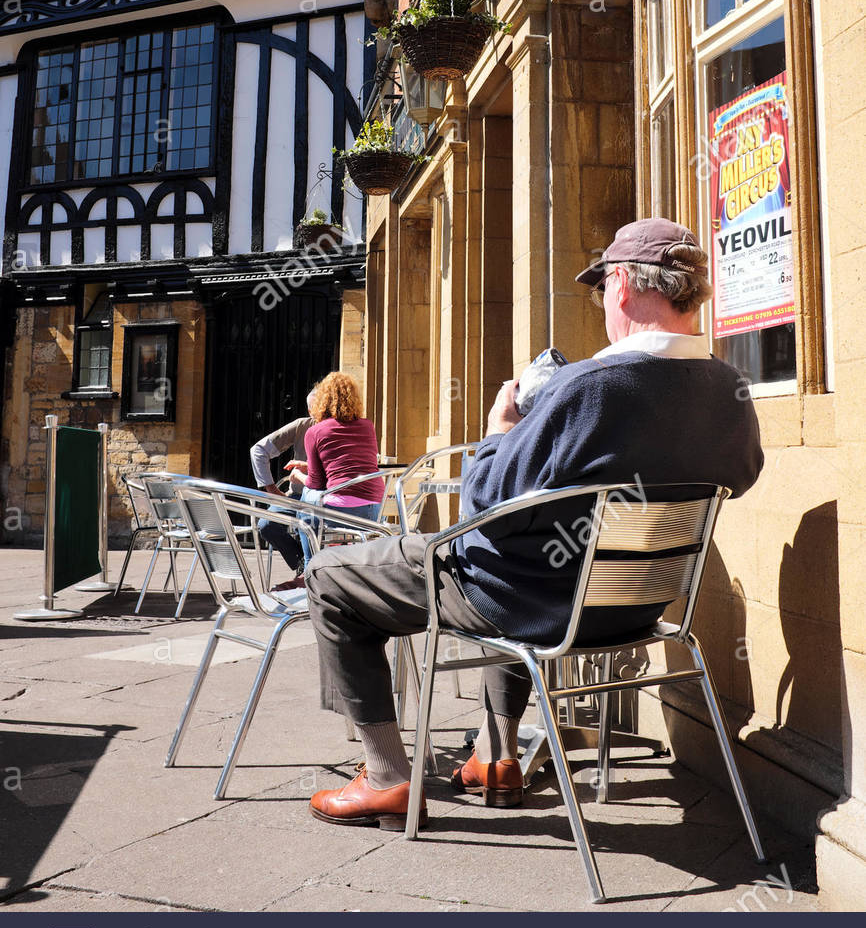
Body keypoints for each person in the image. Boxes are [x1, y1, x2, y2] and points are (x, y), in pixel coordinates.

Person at [304, 218, 764, 830]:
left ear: (622, 285)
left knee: (331, 575)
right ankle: (495, 757)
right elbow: (747, 473)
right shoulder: (729, 387)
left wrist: (502, 425)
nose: (603, 306)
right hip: (640, 608)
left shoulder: (588, 385)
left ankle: (386, 776)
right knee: (526, 557)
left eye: (602, 291)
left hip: (534, 603)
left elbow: (484, 498)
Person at [288, 372, 385, 525]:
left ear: (321, 400)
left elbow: (315, 483)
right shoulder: (368, 426)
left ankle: (314, 550)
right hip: (375, 510)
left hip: (340, 511)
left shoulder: (314, 432)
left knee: (306, 504)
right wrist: (308, 466)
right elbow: (352, 463)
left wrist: (298, 475)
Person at [250, 389, 319, 590]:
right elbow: (259, 450)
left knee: (310, 522)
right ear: (310, 409)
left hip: (319, 496)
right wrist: (271, 488)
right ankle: (303, 566)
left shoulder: (336, 428)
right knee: (266, 525)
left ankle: (312, 570)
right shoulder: (301, 426)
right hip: (297, 495)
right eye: (317, 408)